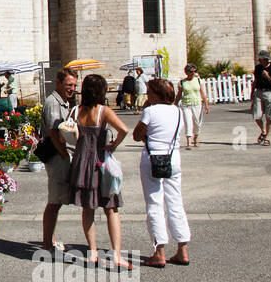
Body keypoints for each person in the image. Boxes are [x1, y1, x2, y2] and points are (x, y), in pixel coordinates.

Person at [68, 74, 131, 269]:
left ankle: (93, 251)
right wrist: (113, 145)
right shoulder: (103, 111)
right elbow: (124, 129)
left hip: (81, 163)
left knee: (88, 209)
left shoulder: (76, 110)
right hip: (100, 162)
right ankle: (117, 255)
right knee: (111, 209)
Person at [133, 77, 190, 267]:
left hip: (152, 159)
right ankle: (182, 248)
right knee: (175, 201)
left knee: (154, 203)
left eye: (149, 92)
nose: (147, 95)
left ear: (156, 94)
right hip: (173, 158)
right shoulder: (178, 112)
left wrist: (148, 110)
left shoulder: (150, 111)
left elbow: (137, 135)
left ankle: (159, 251)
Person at [39, 68, 78, 254]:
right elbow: (54, 132)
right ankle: (47, 245)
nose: (72, 89)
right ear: (58, 83)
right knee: (54, 201)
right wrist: (64, 154)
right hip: (56, 155)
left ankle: (51, 241)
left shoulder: (63, 102)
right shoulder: (53, 103)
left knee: (57, 201)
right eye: (68, 85)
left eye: (74, 86)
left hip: (60, 154)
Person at [176, 63, 210, 149]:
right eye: (191, 71)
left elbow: (202, 93)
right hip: (186, 104)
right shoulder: (182, 82)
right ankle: (189, 141)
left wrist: (206, 104)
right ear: (186, 72)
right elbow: (179, 94)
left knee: (197, 123)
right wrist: (175, 105)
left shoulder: (198, 80)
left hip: (197, 104)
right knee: (188, 122)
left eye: (194, 71)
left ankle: (196, 137)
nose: (193, 73)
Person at [252, 50, 271, 145]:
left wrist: (268, 77)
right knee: (257, 115)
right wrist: (252, 93)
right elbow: (255, 81)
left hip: (270, 93)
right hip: (259, 92)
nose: (260, 61)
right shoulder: (257, 68)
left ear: (266, 59)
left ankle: (267, 138)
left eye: (261, 59)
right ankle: (263, 131)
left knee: (270, 116)